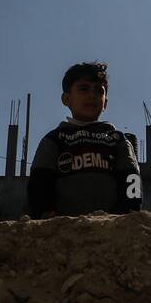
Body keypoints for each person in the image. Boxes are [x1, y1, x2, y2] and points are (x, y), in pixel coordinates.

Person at [27, 62, 142, 218]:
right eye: (84, 89)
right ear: (66, 99)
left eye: (98, 91)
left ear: (105, 103)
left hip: (111, 228)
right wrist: (43, 212)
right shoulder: (55, 139)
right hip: (63, 228)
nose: (91, 95)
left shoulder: (117, 139)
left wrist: (129, 212)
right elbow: (39, 181)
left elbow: (132, 178)